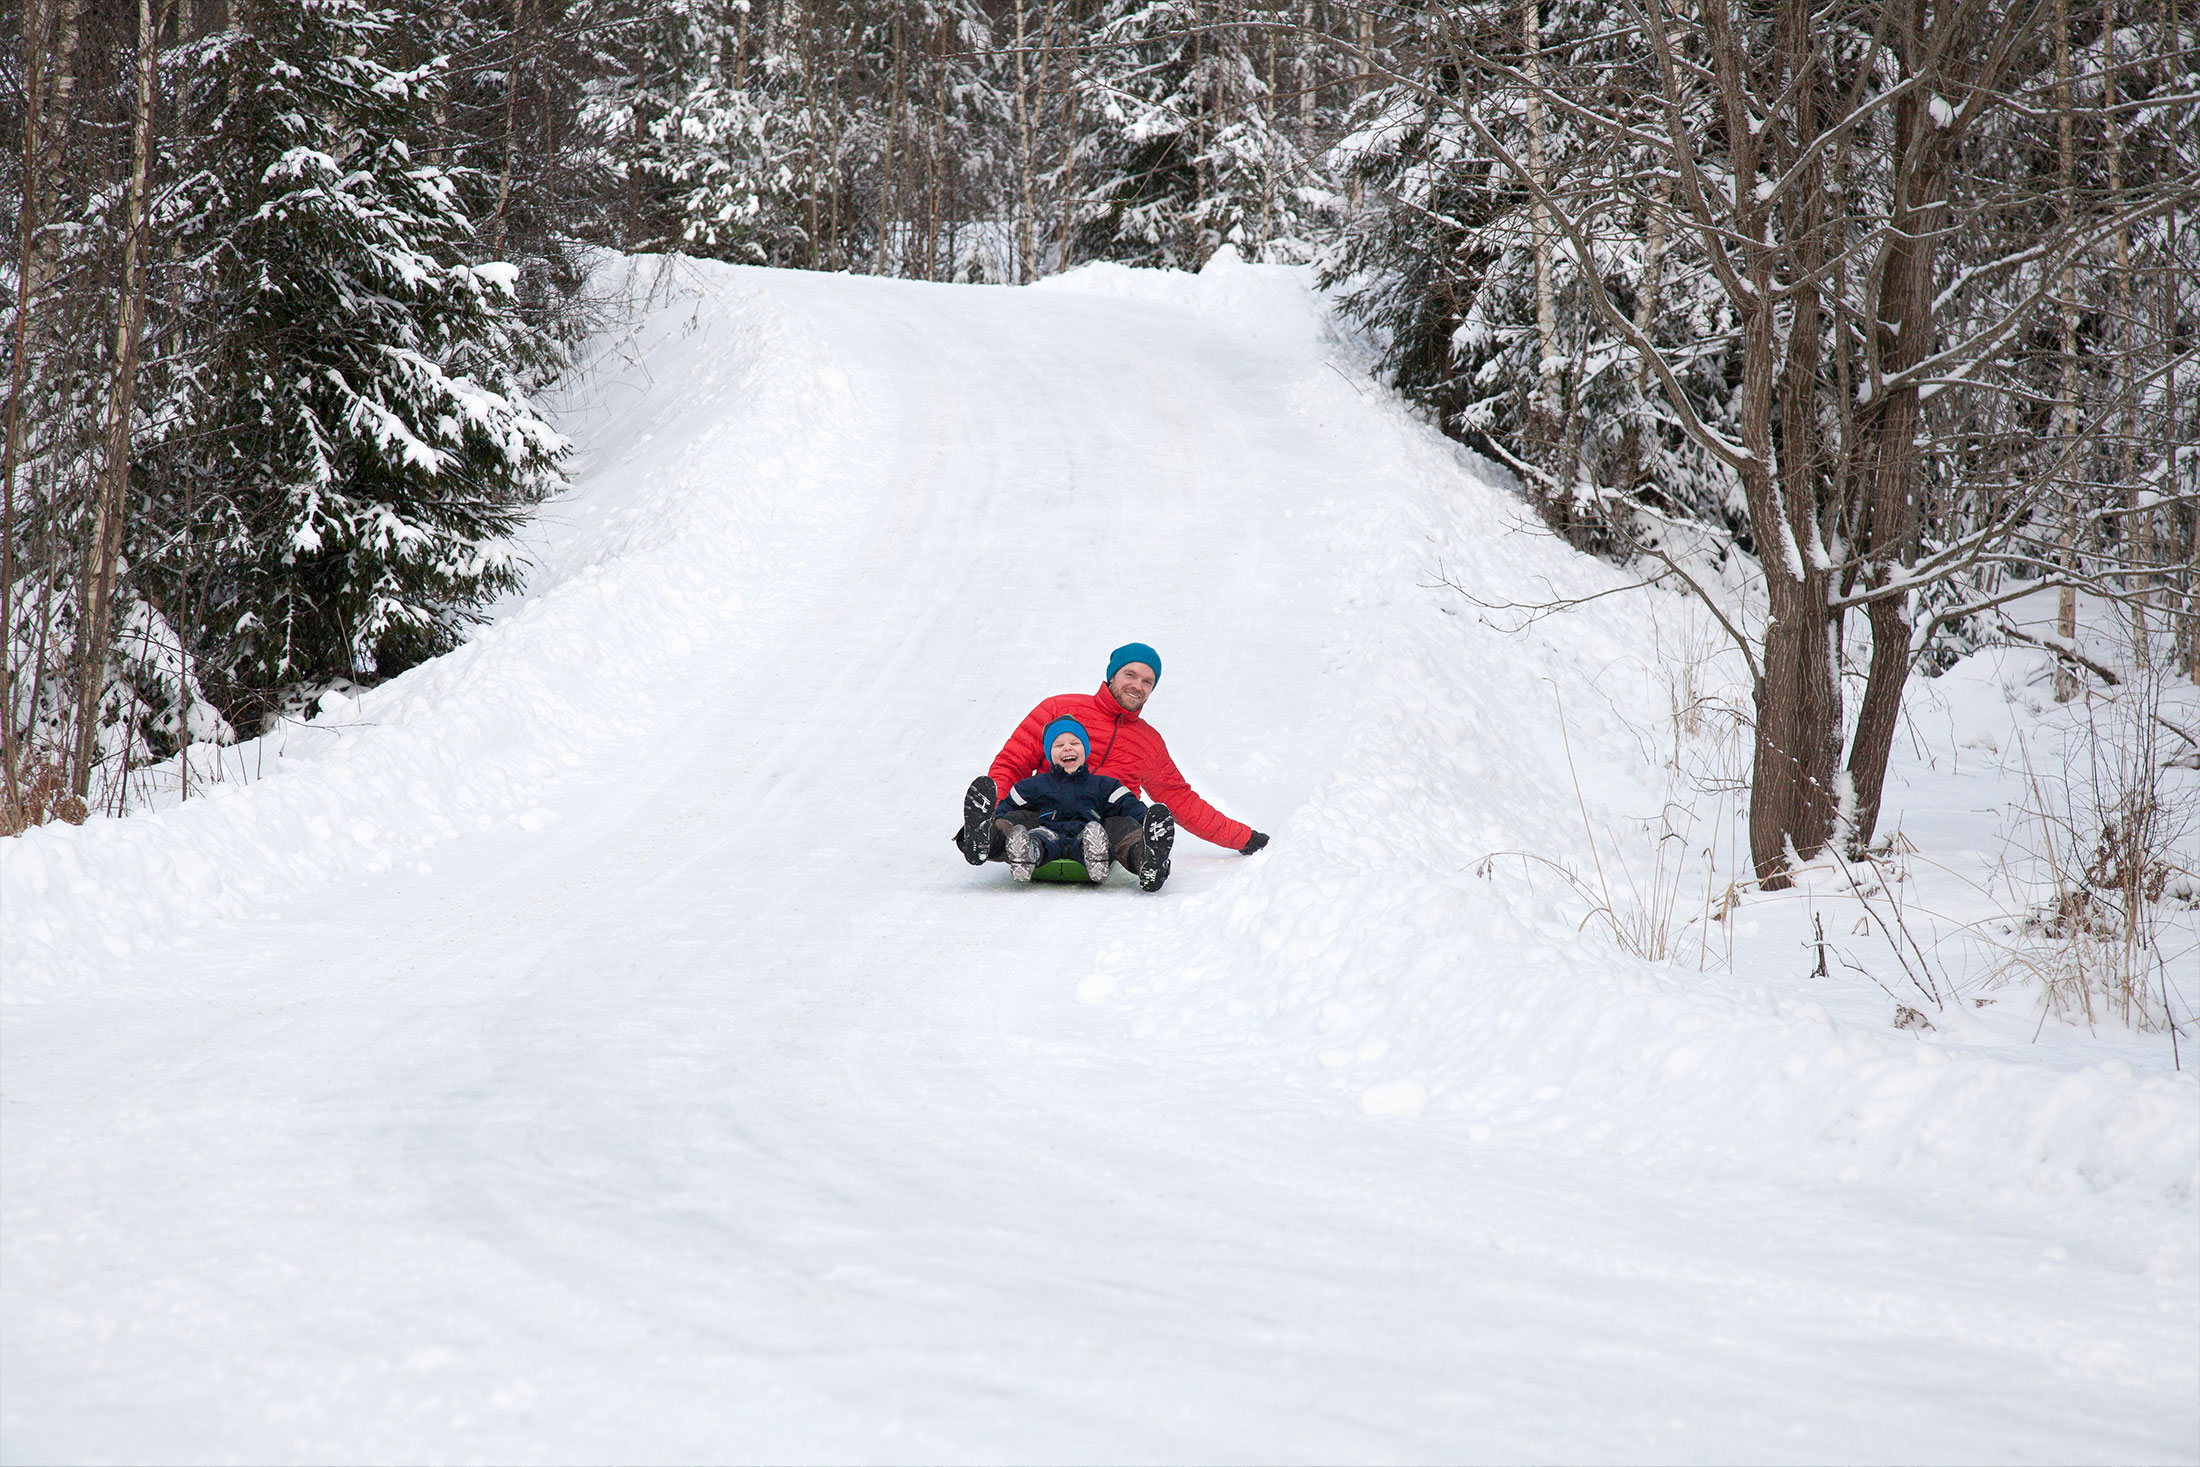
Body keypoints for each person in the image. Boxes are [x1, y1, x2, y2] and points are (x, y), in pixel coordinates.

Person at [956, 642, 1269, 893]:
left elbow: (1180, 801)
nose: (1138, 685)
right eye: (1130, 675)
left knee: (1126, 826)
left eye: (1148, 682)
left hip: (1101, 831)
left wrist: (1245, 839)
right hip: (1046, 814)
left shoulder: (1147, 742)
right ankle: (984, 839)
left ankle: (1148, 860)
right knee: (1016, 818)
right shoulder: (1059, 709)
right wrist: (995, 811)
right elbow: (1013, 763)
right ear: (1112, 675)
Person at [991, 716, 1153, 885]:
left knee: (1108, 830)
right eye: (1059, 745)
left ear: (1085, 749)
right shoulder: (1035, 785)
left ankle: (1141, 859)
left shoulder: (1103, 785)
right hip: (1049, 833)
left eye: (1075, 743)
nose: (1067, 748)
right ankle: (1026, 855)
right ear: (1049, 754)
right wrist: (997, 822)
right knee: (1036, 837)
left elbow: (1128, 804)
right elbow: (1009, 805)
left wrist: (1148, 820)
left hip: (1086, 835)